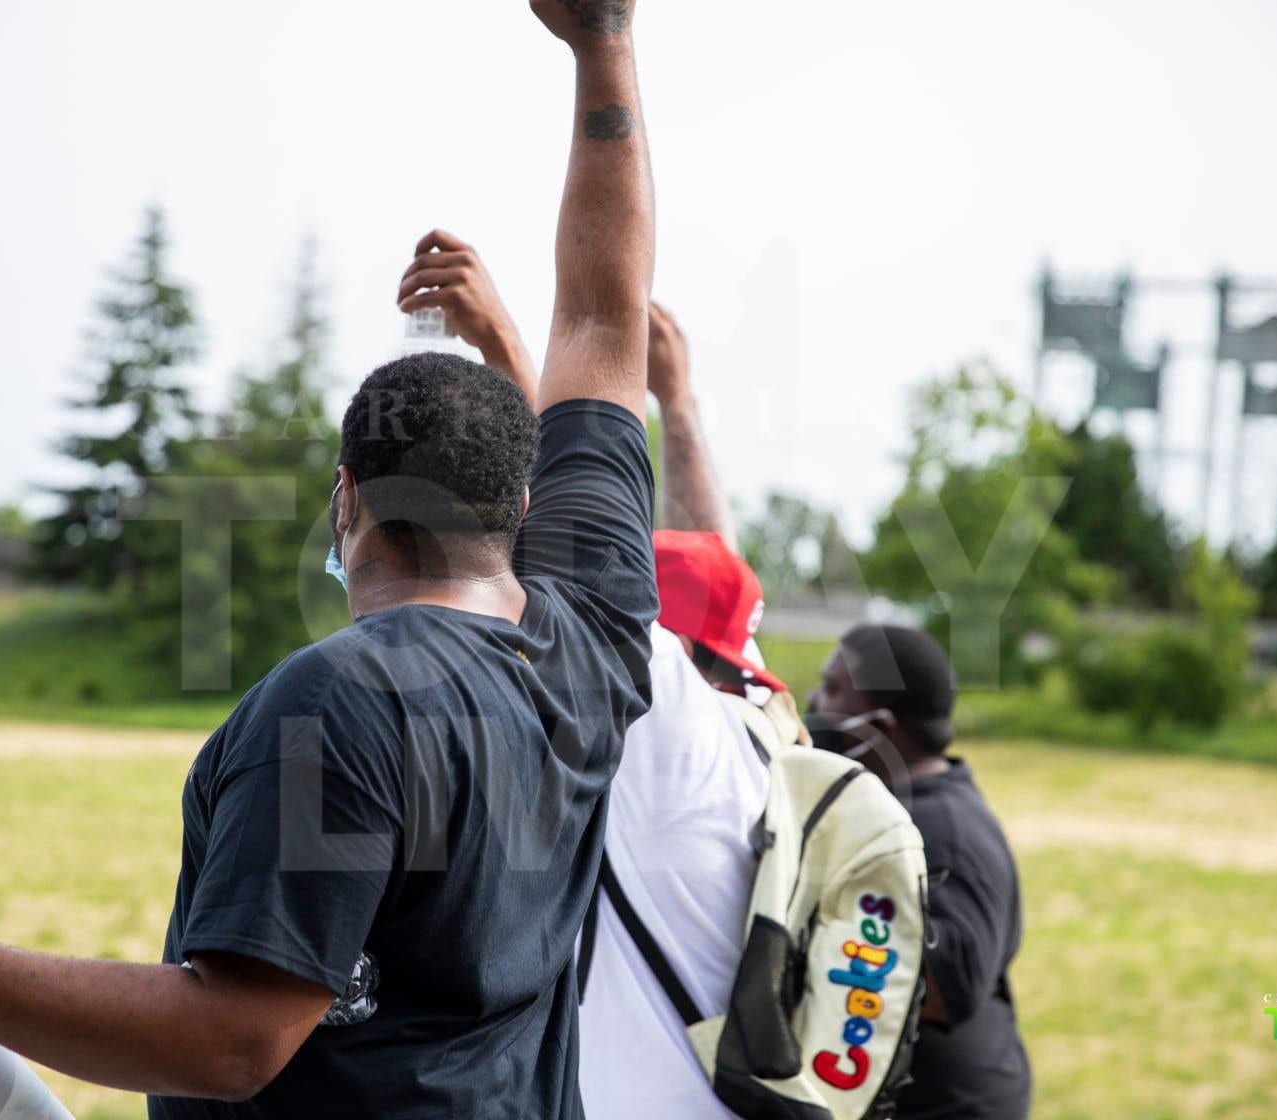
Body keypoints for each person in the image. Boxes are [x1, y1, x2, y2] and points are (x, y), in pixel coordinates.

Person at [0, 2, 656, 1115]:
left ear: (347, 500)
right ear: (524, 503)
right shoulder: (594, 636)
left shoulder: (343, 702)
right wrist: (606, 46)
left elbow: (233, 1040)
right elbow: (604, 321)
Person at [403, 231, 804, 1118]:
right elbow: (716, 559)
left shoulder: (663, 731)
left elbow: (576, 513)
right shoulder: (758, 717)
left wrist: (505, 343)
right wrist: (681, 404)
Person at [806, 624, 1032, 1120]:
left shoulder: (946, 830)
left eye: (832, 689)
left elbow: (954, 983)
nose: (813, 701)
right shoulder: (895, 808)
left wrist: (816, 917)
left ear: (879, 729)